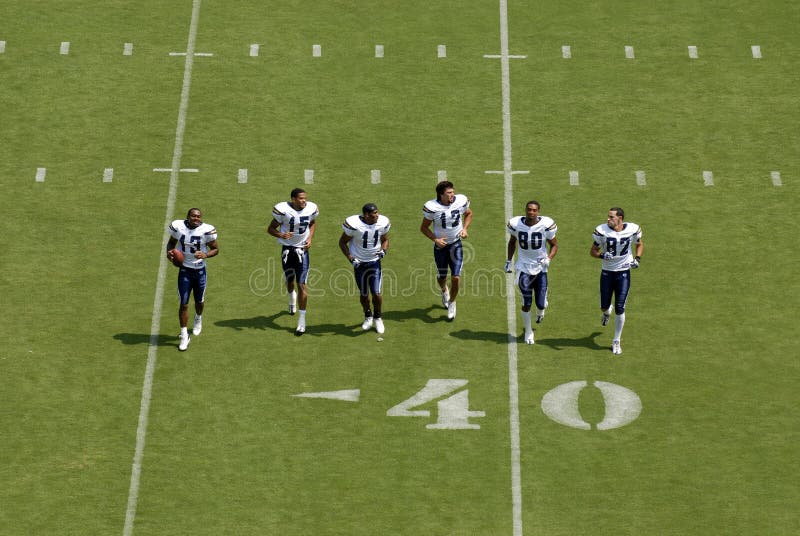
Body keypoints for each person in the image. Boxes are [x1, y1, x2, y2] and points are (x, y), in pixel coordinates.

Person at [590, 207, 643, 355]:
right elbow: (592, 251)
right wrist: (602, 255)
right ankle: (607, 313)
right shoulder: (602, 231)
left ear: (620, 218)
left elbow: (639, 244)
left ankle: (616, 340)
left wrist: (637, 259)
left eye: (611, 217)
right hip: (607, 273)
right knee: (604, 306)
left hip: (624, 273)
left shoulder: (632, 229)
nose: (608, 219)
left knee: (620, 307)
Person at [505, 200, 559, 345]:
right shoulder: (516, 224)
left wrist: (549, 258)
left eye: (534, 210)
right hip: (523, 267)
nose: (531, 212)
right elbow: (512, 242)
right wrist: (509, 261)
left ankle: (541, 309)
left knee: (541, 304)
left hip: (540, 267)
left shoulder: (546, 225)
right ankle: (528, 331)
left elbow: (554, 245)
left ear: (538, 212)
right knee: (527, 301)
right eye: (529, 209)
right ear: (525, 210)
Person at [267, 188, 319, 336]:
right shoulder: (283, 210)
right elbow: (270, 229)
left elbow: (313, 223)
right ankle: (291, 298)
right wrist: (281, 234)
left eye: (305, 198)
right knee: (290, 281)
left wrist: (309, 239)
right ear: (293, 199)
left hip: (302, 250)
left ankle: (302, 320)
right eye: (301, 198)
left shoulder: (310, 208)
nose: (304, 201)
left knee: (302, 284)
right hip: (288, 250)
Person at [166, 208, 219, 351]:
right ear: (188, 216)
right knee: (183, 304)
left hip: (200, 271)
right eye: (193, 216)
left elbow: (215, 249)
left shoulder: (206, 230)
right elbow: (171, 244)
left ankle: (198, 318)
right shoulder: (179, 227)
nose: (196, 218)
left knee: (199, 302)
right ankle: (184, 335)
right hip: (184, 271)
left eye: (198, 216)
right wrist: (169, 254)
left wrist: (206, 255)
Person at [420, 180, 472, 320]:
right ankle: (444, 291)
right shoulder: (432, 207)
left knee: (455, 277)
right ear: (440, 195)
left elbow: (468, 214)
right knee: (442, 276)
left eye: (453, 191)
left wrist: (465, 229)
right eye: (449, 193)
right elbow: (423, 228)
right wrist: (435, 239)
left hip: (456, 244)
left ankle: (452, 302)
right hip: (440, 246)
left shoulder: (460, 201)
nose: (452, 195)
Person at [339, 203, 391, 334]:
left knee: (377, 293)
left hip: (374, 263)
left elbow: (385, 239)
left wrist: (383, 251)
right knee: (364, 293)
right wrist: (351, 258)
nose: (377, 216)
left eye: (378, 213)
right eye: (374, 214)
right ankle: (368, 316)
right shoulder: (354, 225)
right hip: (359, 263)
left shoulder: (382, 223)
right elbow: (342, 242)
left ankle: (378, 317)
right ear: (366, 215)